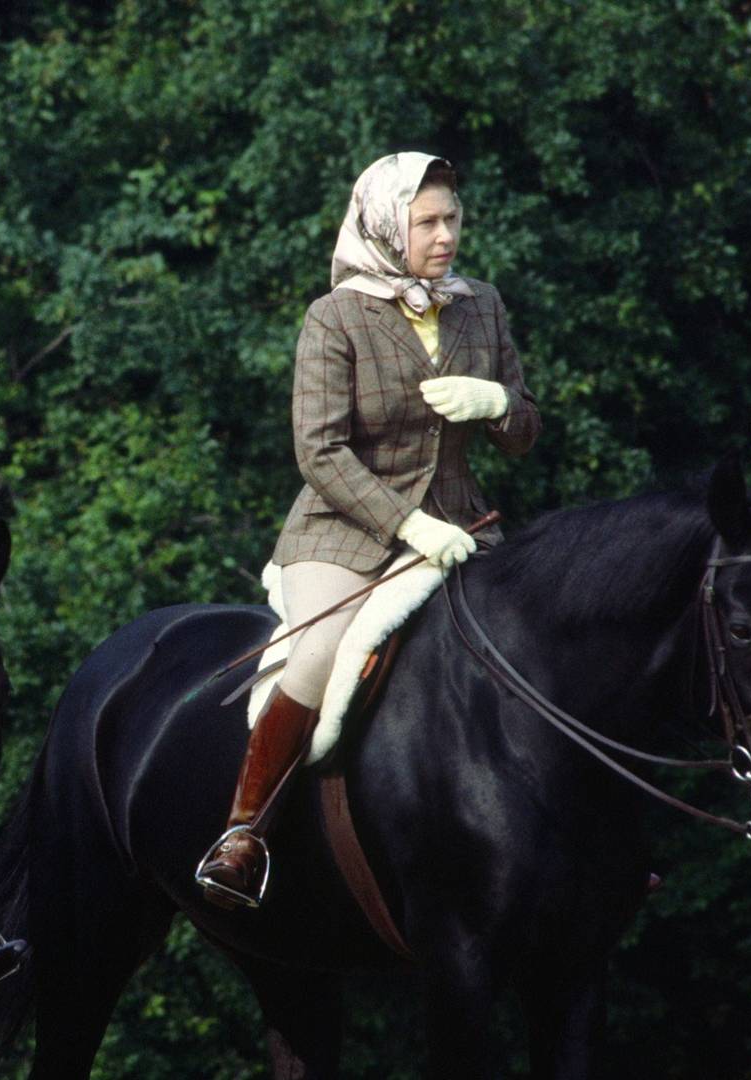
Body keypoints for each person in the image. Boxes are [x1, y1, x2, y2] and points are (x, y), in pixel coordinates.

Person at [196, 152, 541, 908]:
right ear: (389, 227)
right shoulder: (336, 316)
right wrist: (406, 522)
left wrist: (500, 404)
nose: (445, 235)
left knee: (542, 640)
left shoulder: (481, 304)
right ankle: (243, 832)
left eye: (452, 218)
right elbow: (318, 450)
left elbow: (525, 431)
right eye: (427, 223)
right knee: (320, 652)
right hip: (345, 532)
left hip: (459, 523)